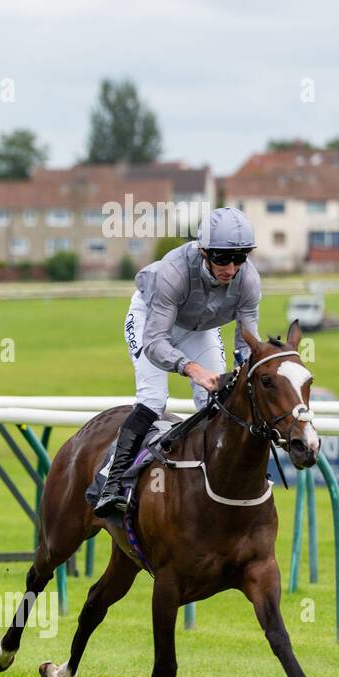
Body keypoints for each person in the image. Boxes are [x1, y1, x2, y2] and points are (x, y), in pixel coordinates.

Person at [94, 206, 261, 516]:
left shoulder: (248, 280)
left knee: (216, 398)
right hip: (152, 322)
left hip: (200, 328)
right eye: (223, 258)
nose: (231, 268)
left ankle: (220, 478)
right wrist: (190, 367)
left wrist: (242, 373)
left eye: (239, 258)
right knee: (153, 399)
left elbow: (247, 344)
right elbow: (156, 344)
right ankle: (112, 483)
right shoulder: (173, 271)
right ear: (204, 252)